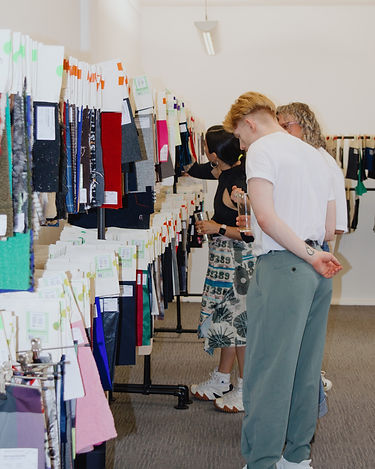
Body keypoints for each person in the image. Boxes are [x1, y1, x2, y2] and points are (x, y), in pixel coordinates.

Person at [223, 92, 342, 469]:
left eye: (241, 138)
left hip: (284, 267)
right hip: (317, 272)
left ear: (250, 123)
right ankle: (296, 457)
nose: (242, 147)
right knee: (305, 370)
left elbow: (269, 219)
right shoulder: (317, 155)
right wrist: (314, 253)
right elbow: (326, 227)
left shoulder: (263, 150)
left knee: (267, 371)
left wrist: (303, 253)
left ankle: (261, 460)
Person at [276, 102, 348, 407]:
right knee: (297, 339)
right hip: (300, 253)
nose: (280, 132)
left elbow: (332, 227)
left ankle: (308, 411)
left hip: (308, 255)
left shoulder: (321, 162)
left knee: (301, 340)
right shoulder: (299, 160)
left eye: (285, 125)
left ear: (303, 126)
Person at [186, 125, 255, 413]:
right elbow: (201, 171)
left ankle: (245, 389)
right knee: (227, 323)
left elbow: (251, 233)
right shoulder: (226, 172)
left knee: (239, 328)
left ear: (214, 153)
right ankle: (222, 379)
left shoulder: (237, 186)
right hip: (225, 263)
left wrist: (218, 227)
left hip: (237, 266)